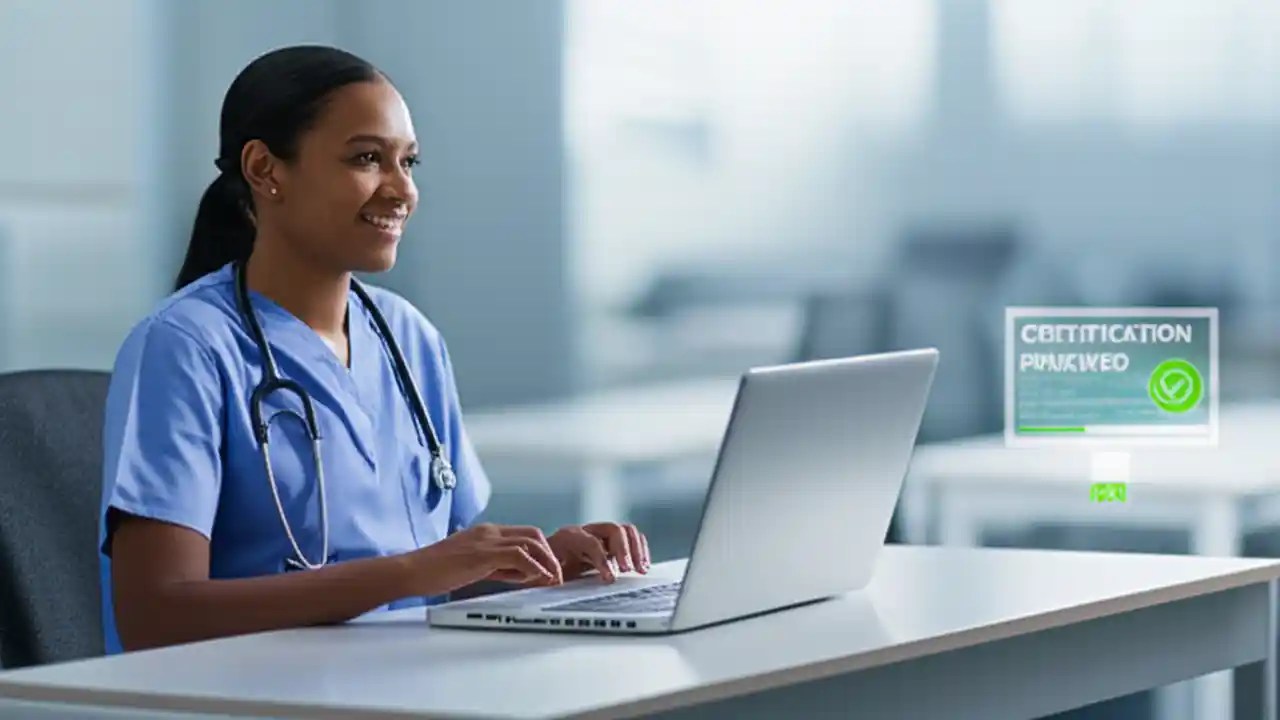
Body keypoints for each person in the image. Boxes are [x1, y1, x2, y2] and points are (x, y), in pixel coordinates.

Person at [98, 45, 649, 654]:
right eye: (367, 158)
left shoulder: (409, 339)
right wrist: (413, 571)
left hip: (404, 678)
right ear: (264, 169)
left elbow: (440, 581)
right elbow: (156, 615)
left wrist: (539, 564)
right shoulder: (186, 347)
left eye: (408, 162)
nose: (401, 191)